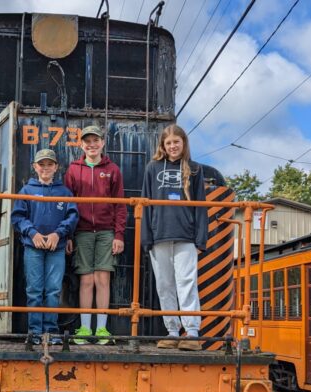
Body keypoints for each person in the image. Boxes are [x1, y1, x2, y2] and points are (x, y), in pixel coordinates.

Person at [141, 124, 224, 351]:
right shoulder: (152, 168)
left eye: (176, 142)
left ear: (183, 143)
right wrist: (146, 238)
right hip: (159, 235)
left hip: (186, 236)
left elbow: (201, 207)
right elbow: (145, 204)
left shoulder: (195, 170)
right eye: (168, 143)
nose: (172, 146)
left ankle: (193, 332)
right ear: (163, 146)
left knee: (186, 283)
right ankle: (171, 331)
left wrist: (200, 239)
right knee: (164, 285)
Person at [64, 125, 125, 345]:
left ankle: (101, 330)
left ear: (102, 143)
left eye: (95, 140)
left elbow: (120, 206)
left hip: (107, 232)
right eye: (87, 141)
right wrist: (69, 236)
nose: (91, 145)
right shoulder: (73, 169)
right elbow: (68, 206)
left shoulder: (113, 170)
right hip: (81, 232)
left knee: (103, 279)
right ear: (81, 145)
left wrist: (119, 235)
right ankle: (84, 329)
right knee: (86, 280)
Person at [11, 149, 78, 345]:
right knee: (34, 289)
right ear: (35, 167)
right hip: (33, 247)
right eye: (42, 164)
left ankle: (50, 331)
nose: (46, 168)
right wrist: (33, 233)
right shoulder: (26, 191)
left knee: (53, 290)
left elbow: (72, 216)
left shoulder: (65, 193)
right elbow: (18, 217)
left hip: (56, 248)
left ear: (56, 167)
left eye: (50, 164)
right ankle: (35, 331)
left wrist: (59, 234)